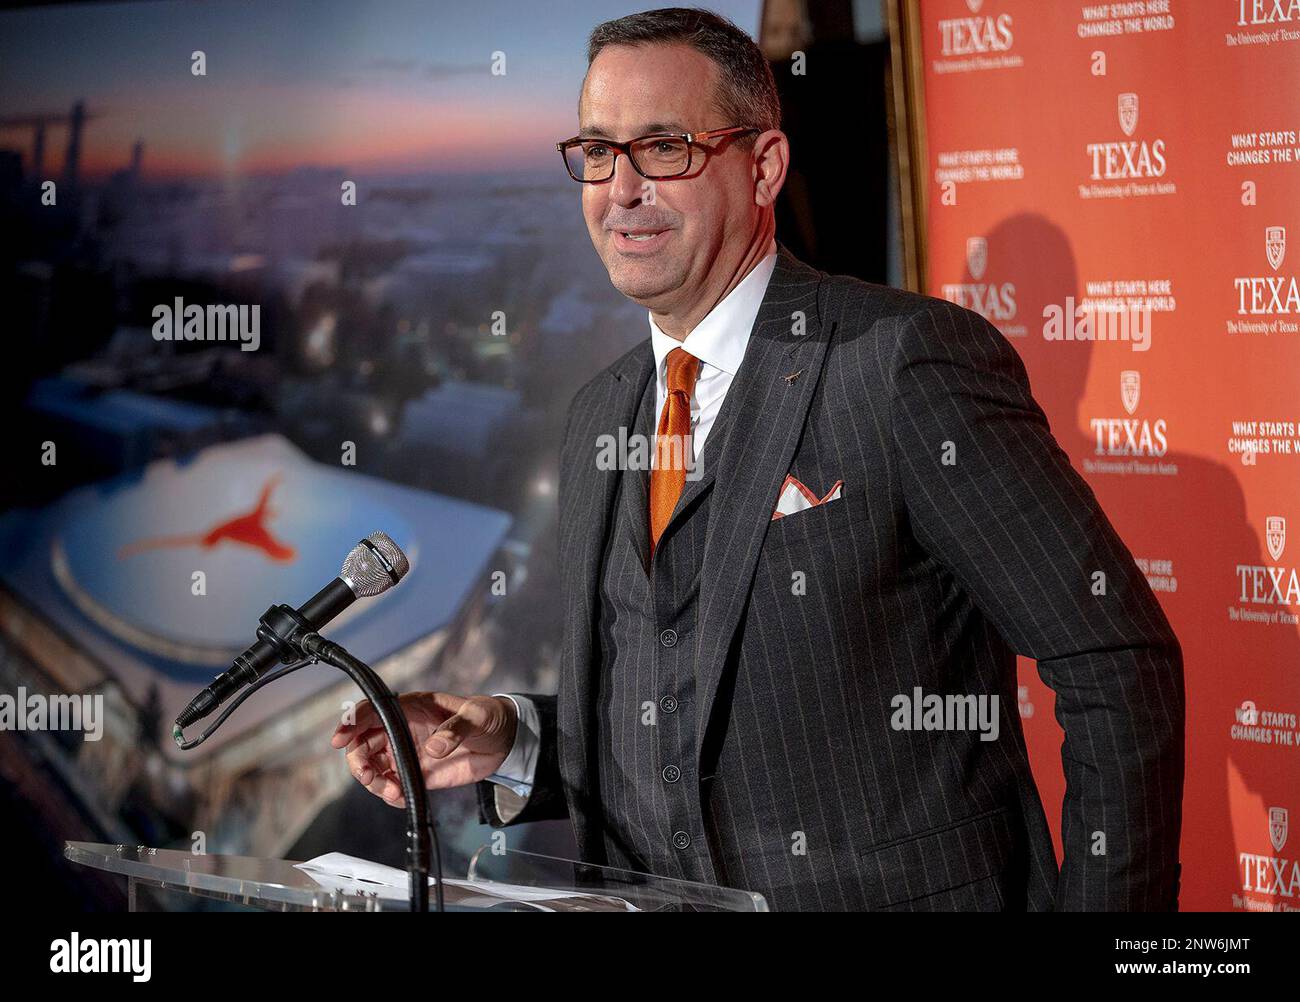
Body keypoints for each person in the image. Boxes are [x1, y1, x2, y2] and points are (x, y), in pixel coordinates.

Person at [332, 7, 1184, 911]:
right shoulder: (598, 418)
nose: (621, 188)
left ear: (765, 166)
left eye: (664, 147)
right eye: (598, 150)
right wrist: (509, 740)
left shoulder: (899, 365)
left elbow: (1116, 662)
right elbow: (681, 723)